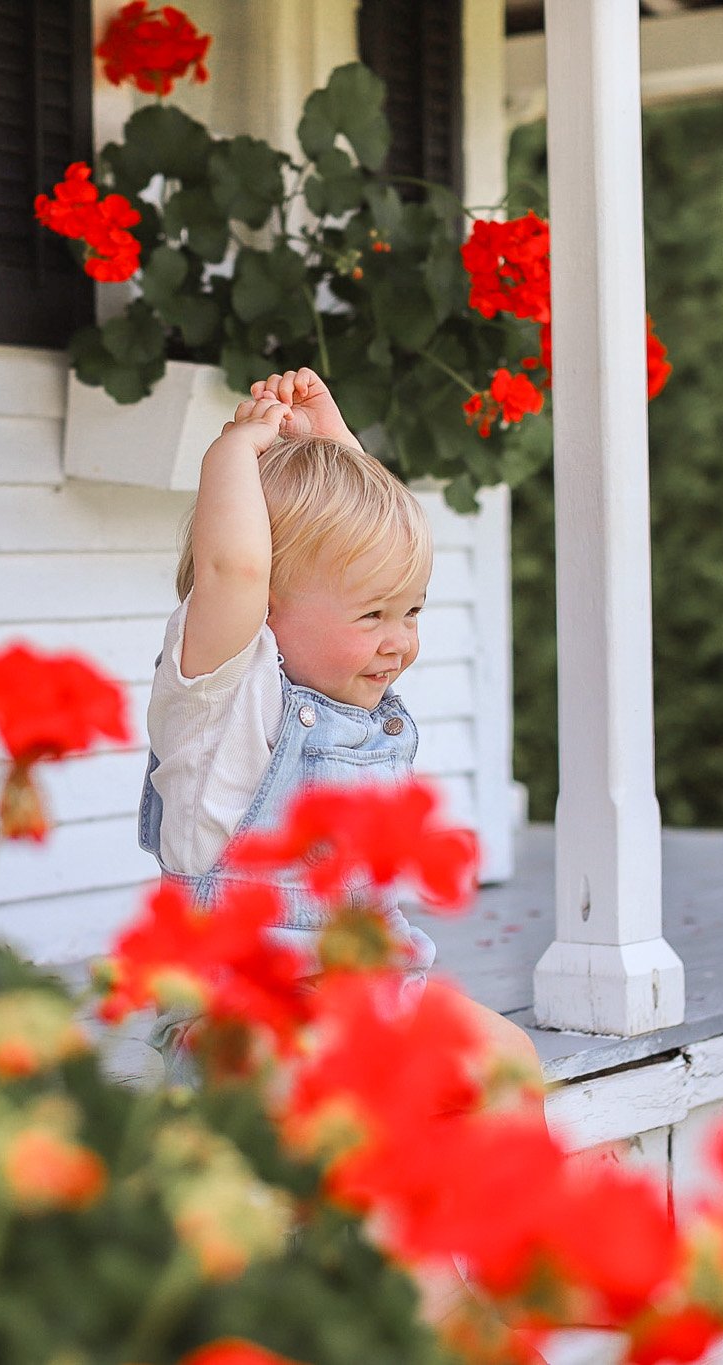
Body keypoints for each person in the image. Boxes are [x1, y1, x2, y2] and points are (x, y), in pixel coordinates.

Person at [136, 366, 543, 1085]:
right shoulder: (226, 698)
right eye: (373, 615)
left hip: (368, 994)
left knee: (510, 1060)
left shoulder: (355, 701)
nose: (399, 641)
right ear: (268, 606)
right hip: (243, 1018)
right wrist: (233, 451)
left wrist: (335, 445)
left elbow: (357, 550)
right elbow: (233, 570)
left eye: (411, 610)